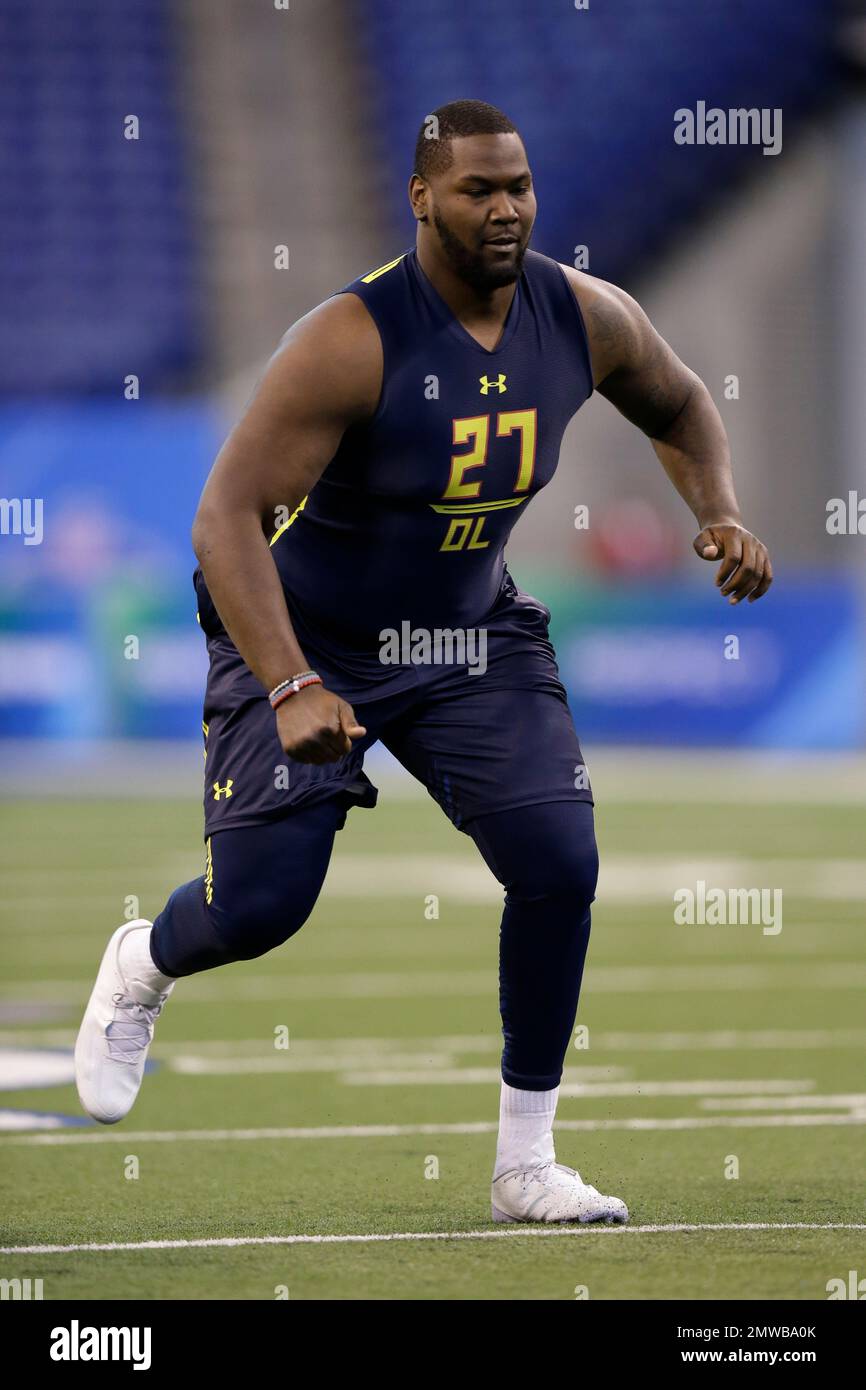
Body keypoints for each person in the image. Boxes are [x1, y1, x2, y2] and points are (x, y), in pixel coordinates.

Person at [75, 99, 772, 1226]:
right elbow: (223, 518)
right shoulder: (350, 339)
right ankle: (143, 961)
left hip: (464, 636)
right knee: (258, 909)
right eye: (476, 191)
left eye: (518, 188)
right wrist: (294, 681)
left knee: (557, 859)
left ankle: (524, 1161)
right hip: (306, 636)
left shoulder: (584, 315)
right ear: (420, 199)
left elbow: (682, 402)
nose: (504, 210)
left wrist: (720, 513)